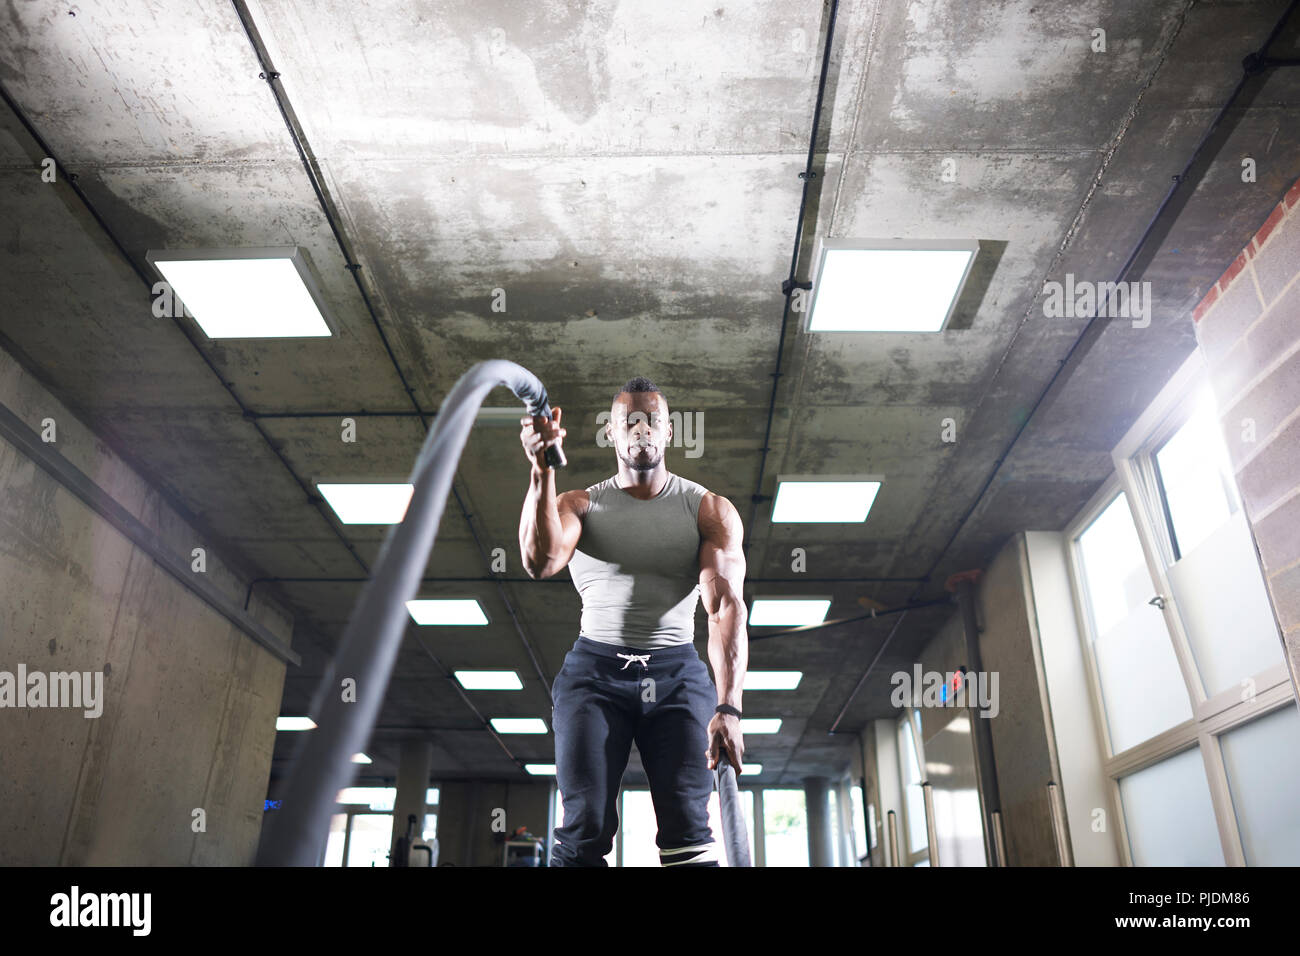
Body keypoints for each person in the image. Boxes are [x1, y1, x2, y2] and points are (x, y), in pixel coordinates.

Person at [518, 376, 748, 867]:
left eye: (652, 421)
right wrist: (541, 471)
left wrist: (729, 705)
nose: (641, 430)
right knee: (583, 831)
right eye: (630, 421)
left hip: (678, 676)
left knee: (689, 829)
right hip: (594, 675)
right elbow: (539, 561)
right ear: (611, 433)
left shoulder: (708, 510)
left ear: (668, 432)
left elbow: (724, 609)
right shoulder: (580, 504)